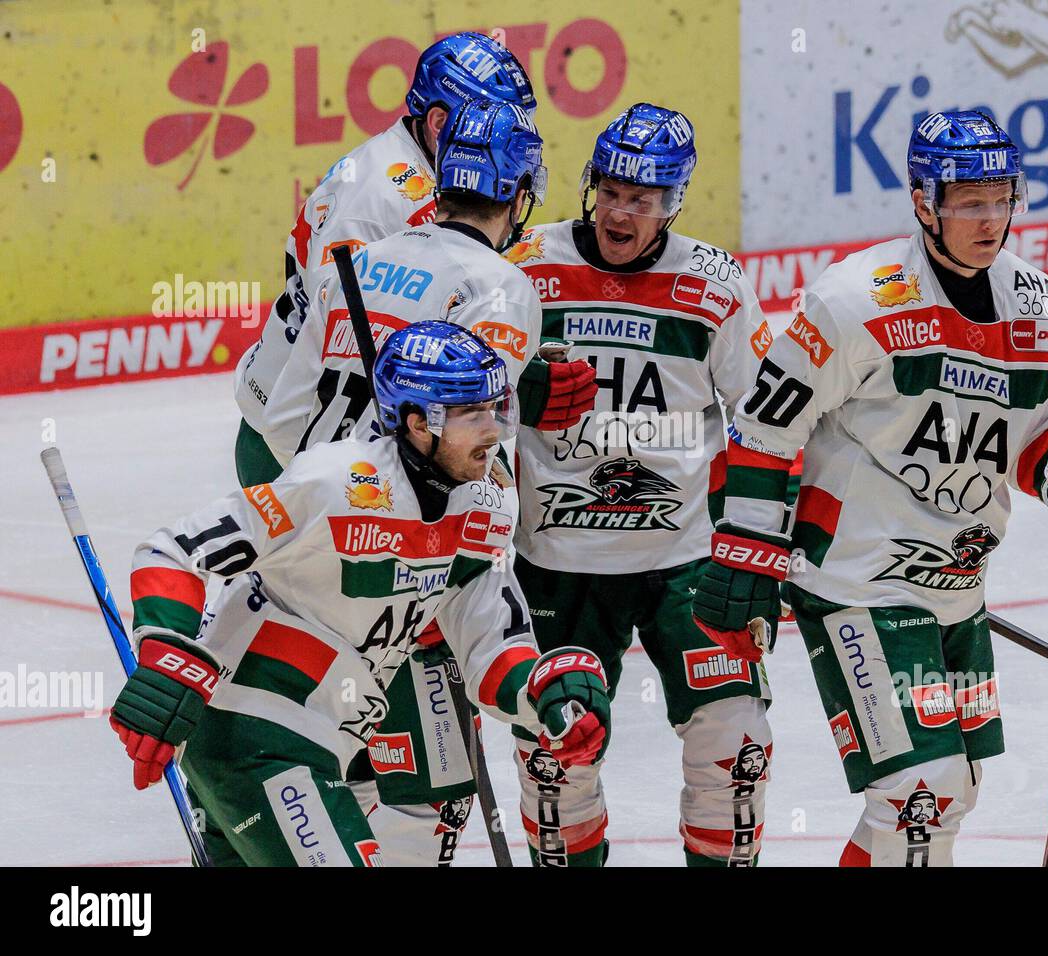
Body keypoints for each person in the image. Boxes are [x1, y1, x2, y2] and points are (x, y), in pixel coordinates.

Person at [691, 109, 1048, 867]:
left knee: (946, 795)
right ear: (922, 201)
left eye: (1001, 198)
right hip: (856, 579)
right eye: (968, 201)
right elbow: (767, 426)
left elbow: (1039, 442)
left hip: (957, 584)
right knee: (920, 797)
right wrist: (746, 551)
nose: (989, 218)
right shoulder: (855, 300)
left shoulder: (1039, 308)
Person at [108, 321, 611, 866]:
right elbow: (173, 551)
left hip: (322, 744)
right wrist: (165, 656)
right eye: (472, 414)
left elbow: (492, 648)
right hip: (257, 735)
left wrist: (543, 692)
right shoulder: (338, 481)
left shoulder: (481, 512)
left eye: (496, 409)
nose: (494, 430)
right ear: (419, 422)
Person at [258, 97, 596, 865]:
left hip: (320, 547)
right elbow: (465, 436)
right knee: (430, 796)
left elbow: (280, 422)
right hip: (416, 561)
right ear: (518, 196)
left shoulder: (365, 261)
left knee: (316, 765)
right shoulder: (501, 288)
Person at [505, 102, 776, 866]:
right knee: (557, 768)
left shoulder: (714, 284)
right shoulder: (526, 264)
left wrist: (759, 552)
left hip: (686, 566)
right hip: (555, 565)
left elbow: (764, 421)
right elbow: (462, 393)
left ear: (675, 202)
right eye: (613, 192)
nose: (623, 212)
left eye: (645, 198)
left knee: (737, 751)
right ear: (592, 186)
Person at [232, 31, 536, 487]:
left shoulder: (434, 177)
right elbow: (348, 339)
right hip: (303, 432)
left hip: (330, 424)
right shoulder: (375, 199)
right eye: (482, 116)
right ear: (438, 121)